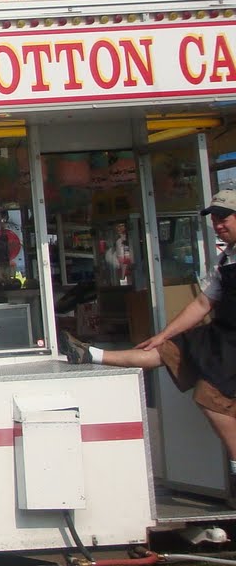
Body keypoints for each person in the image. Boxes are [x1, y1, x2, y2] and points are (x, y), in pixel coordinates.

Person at [63, 189, 236, 499]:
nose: (219, 224)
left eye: (225, 218)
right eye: (215, 219)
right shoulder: (226, 259)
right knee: (166, 350)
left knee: (210, 396)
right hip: (221, 336)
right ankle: (90, 354)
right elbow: (201, 303)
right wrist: (164, 333)